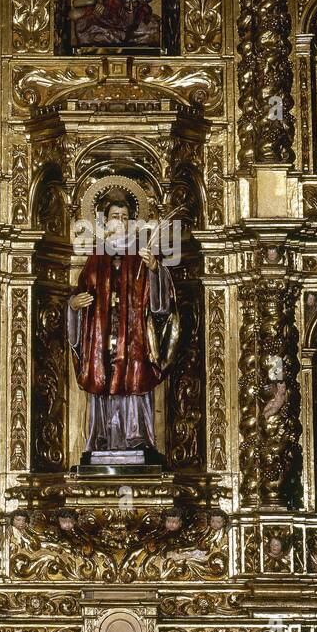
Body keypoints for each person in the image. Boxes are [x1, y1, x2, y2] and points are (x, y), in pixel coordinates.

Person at [68, 196, 179, 461]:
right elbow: (79, 297)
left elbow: (162, 308)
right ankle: (102, 440)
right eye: (115, 216)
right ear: (104, 222)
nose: (120, 222)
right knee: (103, 381)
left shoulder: (142, 257)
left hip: (135, 342)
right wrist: (73, 305)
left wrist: (155, 269)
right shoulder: (95, 260)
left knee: (134, 384)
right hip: (101, 342)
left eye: (125, 217)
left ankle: (136, 439)